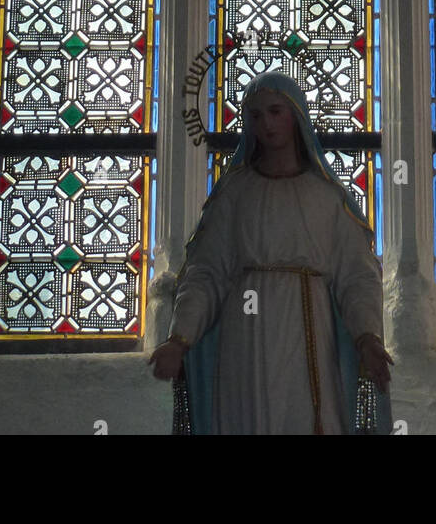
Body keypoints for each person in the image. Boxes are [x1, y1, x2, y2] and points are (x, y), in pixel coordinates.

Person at [150, 72, 393, 434]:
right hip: (245, 337)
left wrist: (367, 336)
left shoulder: (327, 197)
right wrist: (179, 338)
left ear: (296, 115)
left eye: (276, 111)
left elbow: (357, 276)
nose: (266, 123)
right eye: (255, 115)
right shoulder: (235, 193)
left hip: (308, 328)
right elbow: (206, 272)